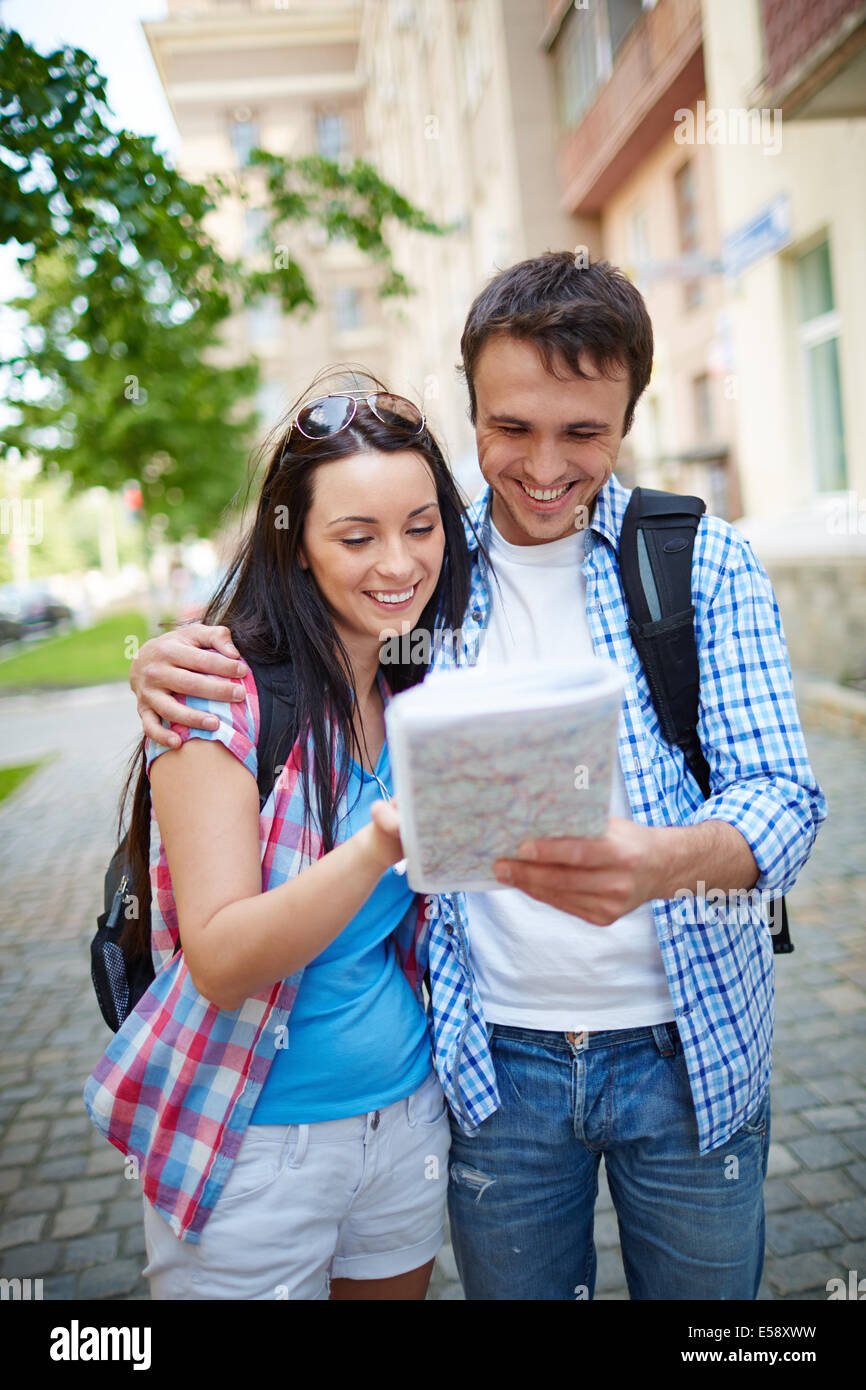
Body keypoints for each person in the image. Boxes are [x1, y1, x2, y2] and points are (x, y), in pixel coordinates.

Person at [129, 255, 828, 1301]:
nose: (542, 466)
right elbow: (285, 612)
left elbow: (785, 796)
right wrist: (152, 656)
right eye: (510, 428)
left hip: (690, 1055)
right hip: (488, 1068)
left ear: (627, 417)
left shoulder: (698, 560)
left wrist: (664, 861)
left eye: (580, 433)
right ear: (470, 407)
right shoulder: (421, 565)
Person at [85, 370, 477, 1300]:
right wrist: (385, 841)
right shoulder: (220, 695)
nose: (399, 563)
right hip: (254, 1145)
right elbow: (220, 961)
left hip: (407, 1122)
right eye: (357, 536)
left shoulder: (416, 685)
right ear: (294, 546)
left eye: (421, 527)